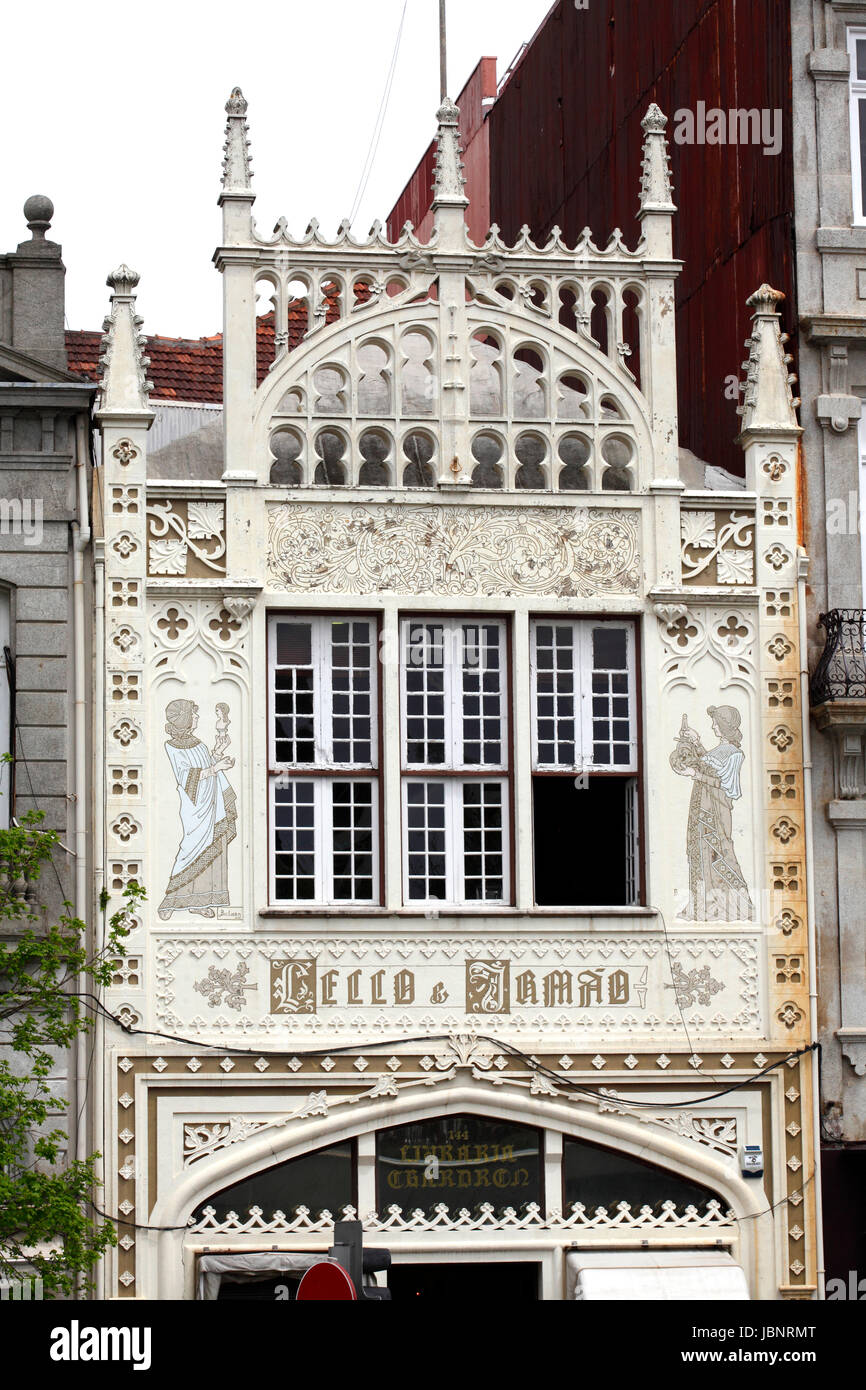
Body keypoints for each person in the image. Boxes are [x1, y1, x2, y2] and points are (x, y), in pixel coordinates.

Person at [670, 705, 753, 922]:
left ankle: (731, 905)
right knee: (700, 852)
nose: (713, 726)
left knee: (719, 852)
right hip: (701, 807)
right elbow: (708, 764)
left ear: (726, 726)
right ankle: (701, 906)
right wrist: (696, 743)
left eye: (717, 723)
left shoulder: (735, 754)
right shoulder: (719, 750)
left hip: (716, 812)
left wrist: (695, 774)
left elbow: (725, 785)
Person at [158, 699, 237, 919]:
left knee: (212, 850)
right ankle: (170, 901)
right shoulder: (172, 747)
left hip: (212, 803)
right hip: (195, 807)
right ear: (184, 719)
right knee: (190, 850)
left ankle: (200, 901)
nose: (197, 718)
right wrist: (215, 768)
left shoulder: (199, 744)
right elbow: (187, 777)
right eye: (194, 715)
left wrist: (218, 753)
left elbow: (206, 764)